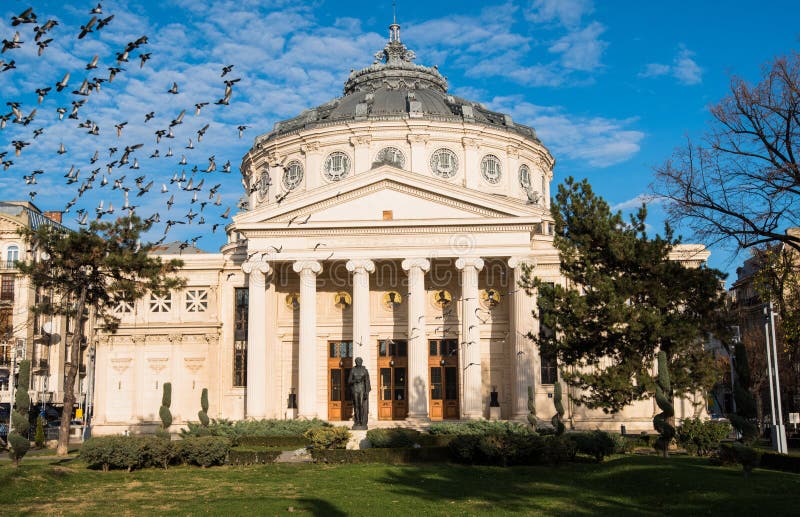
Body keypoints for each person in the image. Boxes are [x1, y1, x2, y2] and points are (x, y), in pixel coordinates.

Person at [348, 357, 371, 429]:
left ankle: (362, 421)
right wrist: (355, 380)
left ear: (361, 362)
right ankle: (357, 421)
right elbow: (349, 381)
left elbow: (367, 382)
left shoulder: (365, 370)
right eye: (357, 361)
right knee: (356, 405)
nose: (358, 362)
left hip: (362, 390)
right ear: (355, 362)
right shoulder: (353, 370)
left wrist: (366, 392)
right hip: (355, 389)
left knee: (361, 405)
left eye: (359, 361)